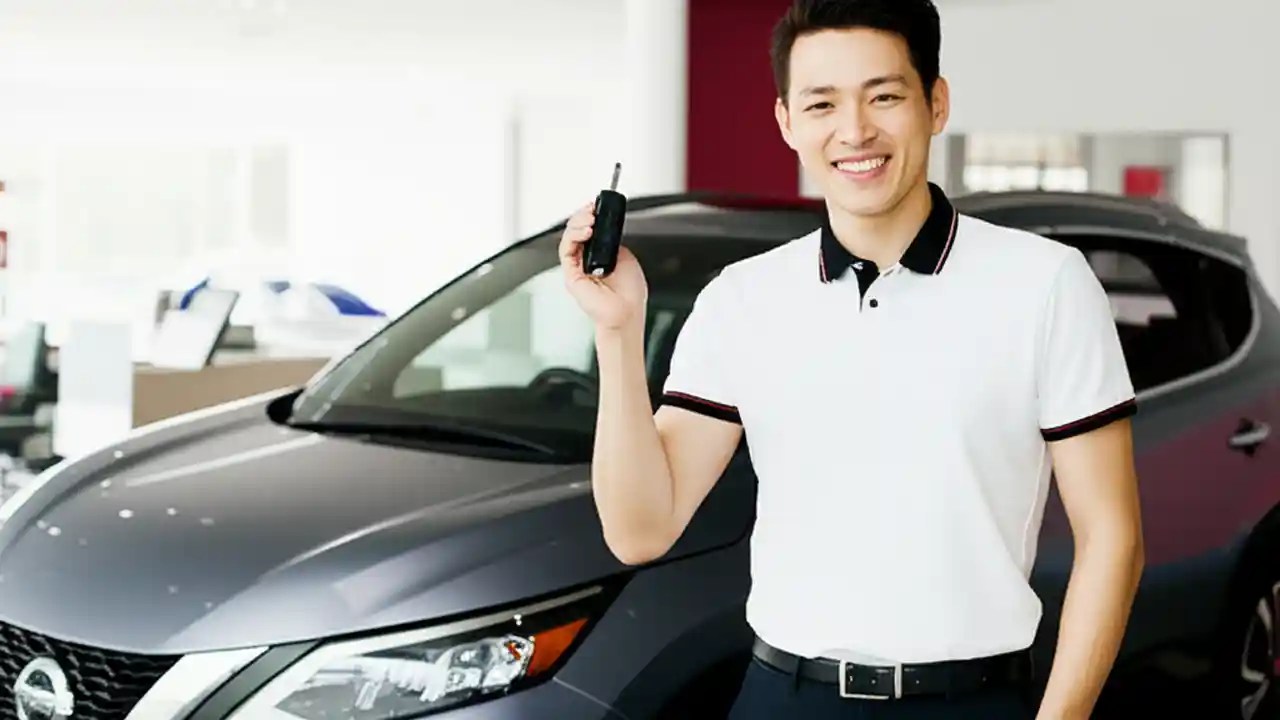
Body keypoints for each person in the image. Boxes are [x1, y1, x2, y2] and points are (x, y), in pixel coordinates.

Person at [557, 0, 1145, 717]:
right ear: (787, 123)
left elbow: (1112, 537)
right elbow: (640, 529)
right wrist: (618, 333)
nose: (855, 130)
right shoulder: (743, 300)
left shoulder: (1046, 283)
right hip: (783, 698)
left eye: (884, 96)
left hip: (971, 700)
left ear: (936, 103)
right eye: (822, 103)